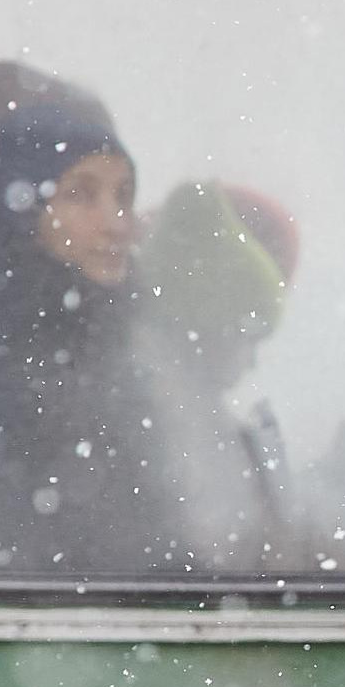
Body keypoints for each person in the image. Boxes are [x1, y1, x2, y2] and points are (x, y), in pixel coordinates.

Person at [0, 85, 151, 575]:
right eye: (81, 195)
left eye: (123, 196)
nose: (115, 223)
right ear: (23, 213)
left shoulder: (127, 340)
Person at [133, 179, 304, 571]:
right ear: (211, 325)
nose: (253, 362)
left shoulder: (197, 412)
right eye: (250, 337)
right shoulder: (166, 420)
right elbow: (215, 557)